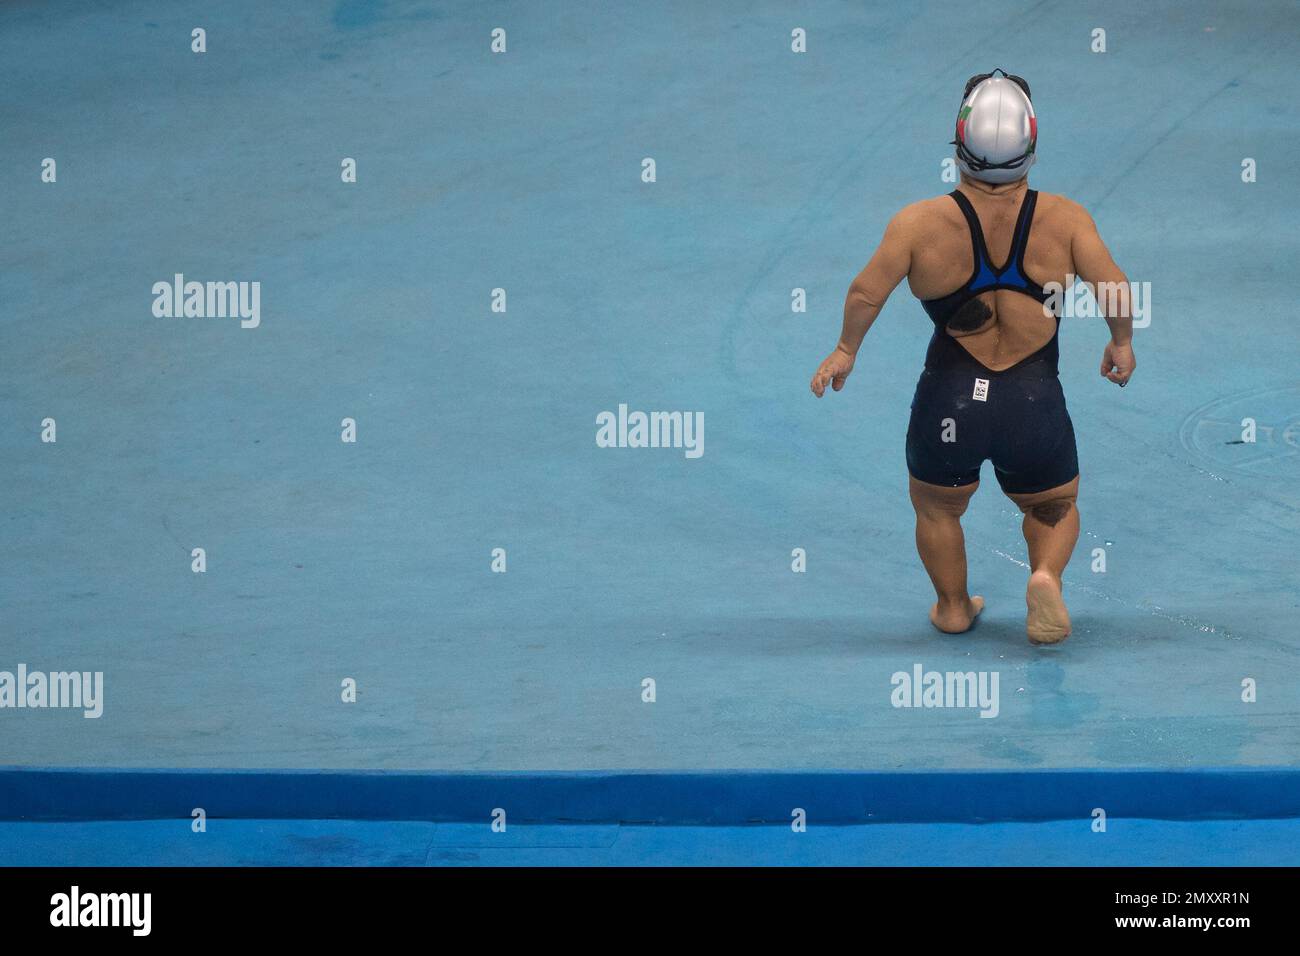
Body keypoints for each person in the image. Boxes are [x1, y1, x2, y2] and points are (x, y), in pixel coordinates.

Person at [810, 70, 1135, 645]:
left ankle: (954, 606)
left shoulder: (918, 225)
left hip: (951, 395)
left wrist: (844, 350)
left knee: (937, 507)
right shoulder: (1065, 219)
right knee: (1052, 503)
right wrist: (1122, 341)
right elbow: (1113, 286)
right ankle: (1044, 575)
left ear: (958, 146)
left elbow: (865, 292)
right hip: (1032, 400)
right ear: (1032, 146)